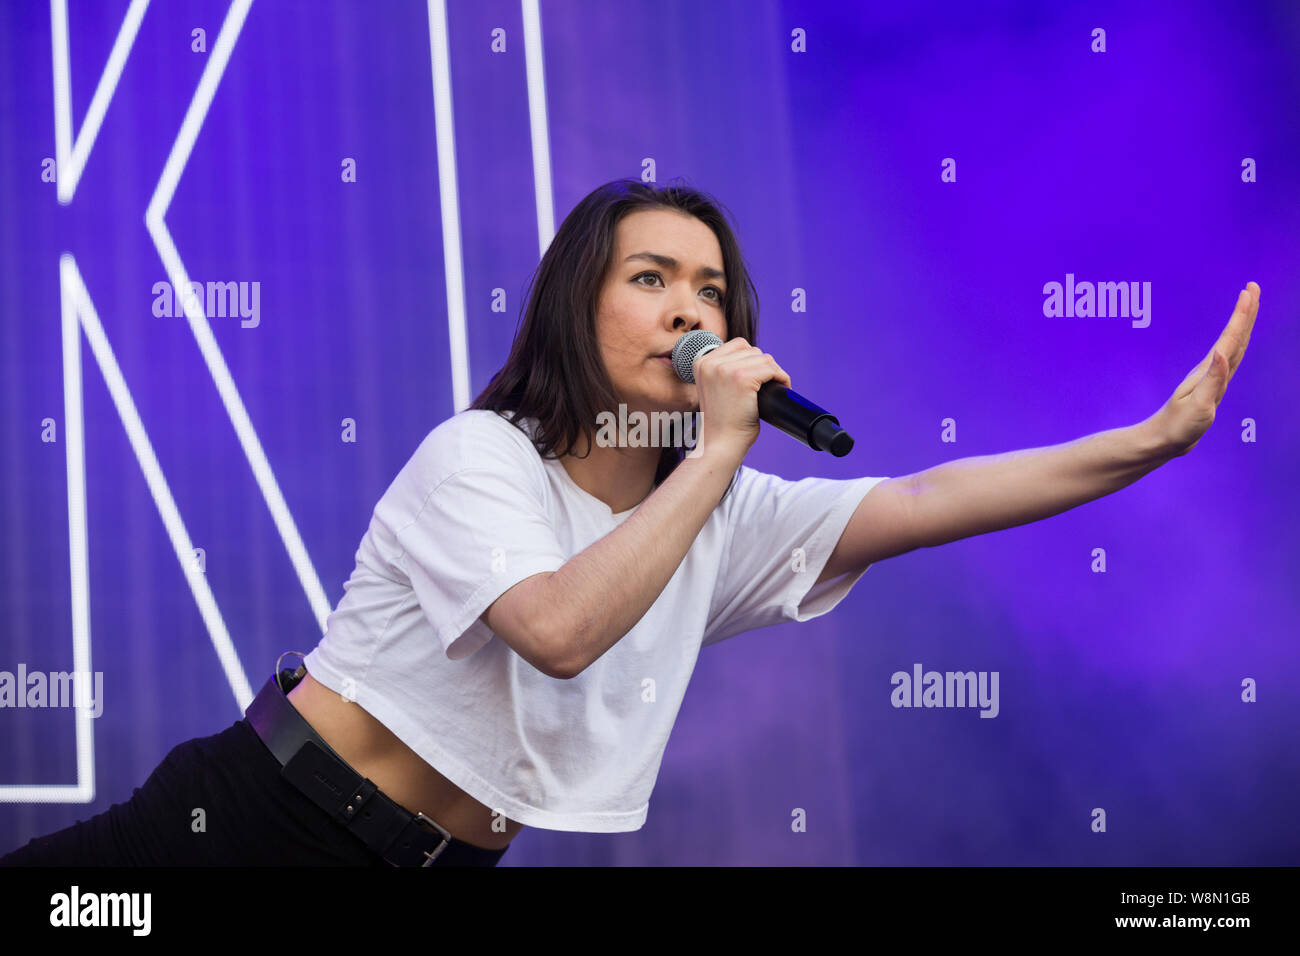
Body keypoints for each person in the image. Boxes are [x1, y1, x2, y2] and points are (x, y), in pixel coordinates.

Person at [0, 178, 1259, 867]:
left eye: (710, 286)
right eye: (649, 278)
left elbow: (927, 497)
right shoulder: (478, 458)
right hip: (239, 840)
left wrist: (1146, 444)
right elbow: (555, 628)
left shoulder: (711, 509)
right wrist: (716, 455)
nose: (687, 307)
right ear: (574, 309)